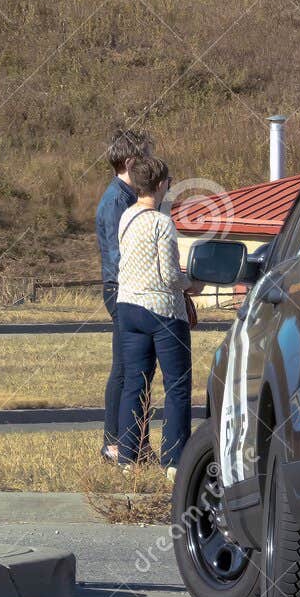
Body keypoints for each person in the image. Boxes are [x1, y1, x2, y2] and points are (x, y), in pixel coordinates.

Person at [115, 155, 195, 479]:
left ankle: (127, 457)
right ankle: (174, 461)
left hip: (128, 307)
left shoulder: (126, 217)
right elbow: (169, 277)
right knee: (176, 385)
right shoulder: (162, 222)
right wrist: (194, 283)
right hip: (162, 310)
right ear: (161, 184)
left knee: (135, 383)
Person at [96, 129, 153, 464]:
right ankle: (114, 441)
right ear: (130, 162)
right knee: (123, 369)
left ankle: (126, 440)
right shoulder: (118, 200)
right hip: (122, 289)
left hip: (125, 288)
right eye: (144, 157)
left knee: (131, 367)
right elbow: (121, 255)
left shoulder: (125, 196)